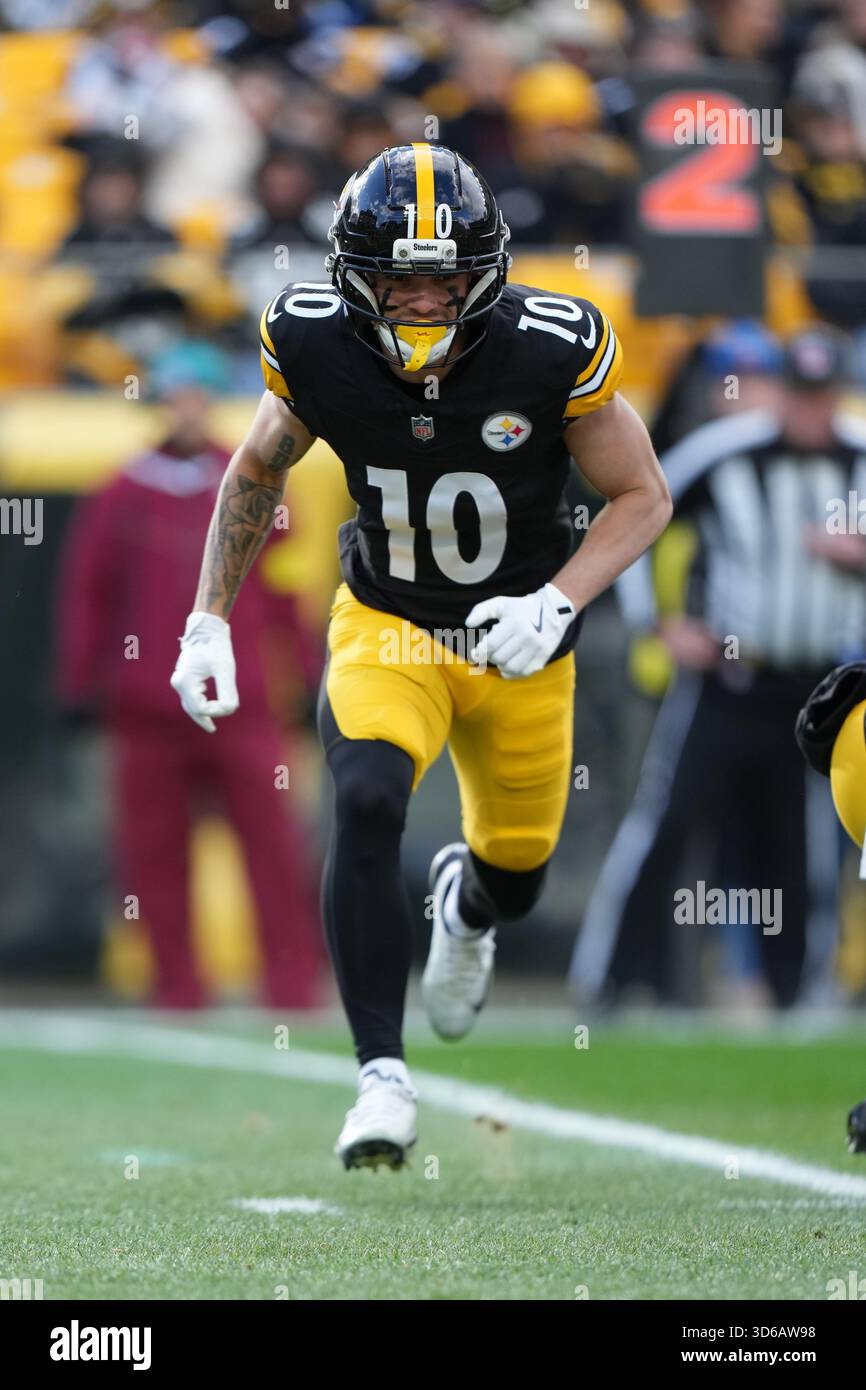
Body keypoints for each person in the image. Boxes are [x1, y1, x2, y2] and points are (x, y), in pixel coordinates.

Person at [170, 143, 671, 1169]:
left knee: (515, 876)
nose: (422, 303)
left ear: (482, 271)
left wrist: (556, 597)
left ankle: (466, 905)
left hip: (522, 643)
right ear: (356, 275)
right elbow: (257, 470)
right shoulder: (310, 341)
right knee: (359, 800)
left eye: (443, 280)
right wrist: (206, 618)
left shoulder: (550, 345)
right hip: (388, 622)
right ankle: (380, 1079)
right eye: (399, 281)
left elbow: (641, 497)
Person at [571, 327, 866, 1012]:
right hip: (731, 679)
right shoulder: (726, 453)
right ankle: (610, 982)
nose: (810, 415)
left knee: (808, 845)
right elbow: (641, 510)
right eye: (800, 398)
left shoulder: (858, 458)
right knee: (667, 823)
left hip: (822, 689)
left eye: (823, 400)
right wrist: (661, 624)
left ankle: (799, 993)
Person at [57, 339, 323, 1011]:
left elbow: (286, 589)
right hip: (145, 705)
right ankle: (177, 987)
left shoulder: (253, 480)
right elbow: (88, 590)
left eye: (194, 396)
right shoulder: (121, 492)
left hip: (245, 699)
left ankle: (291, 986)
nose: (185, 410)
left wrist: (308, 674)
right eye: (173, 396)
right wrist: (81, 680)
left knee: (275, 848)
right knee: (154, 855)